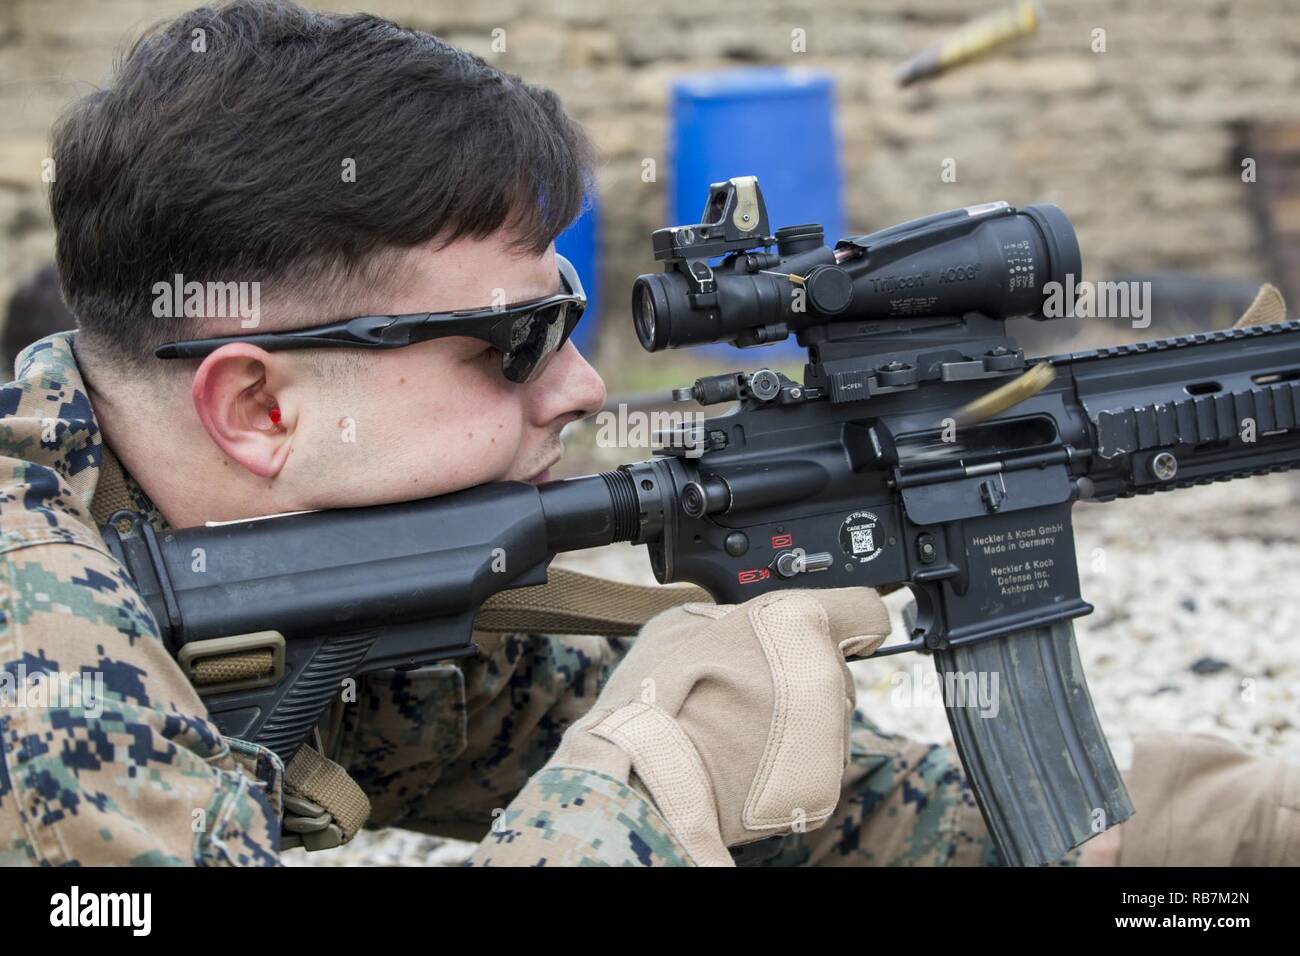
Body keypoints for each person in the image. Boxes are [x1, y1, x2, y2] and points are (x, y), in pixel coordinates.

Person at [1, 0, 1293, 867]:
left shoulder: (324, 561)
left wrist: (1209, 837)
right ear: (260, 407)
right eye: (510, 343)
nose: (574, 390)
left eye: (569, 323)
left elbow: (844, 828)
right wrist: (649, 782)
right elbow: (635, 788)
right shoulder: (38, 663)